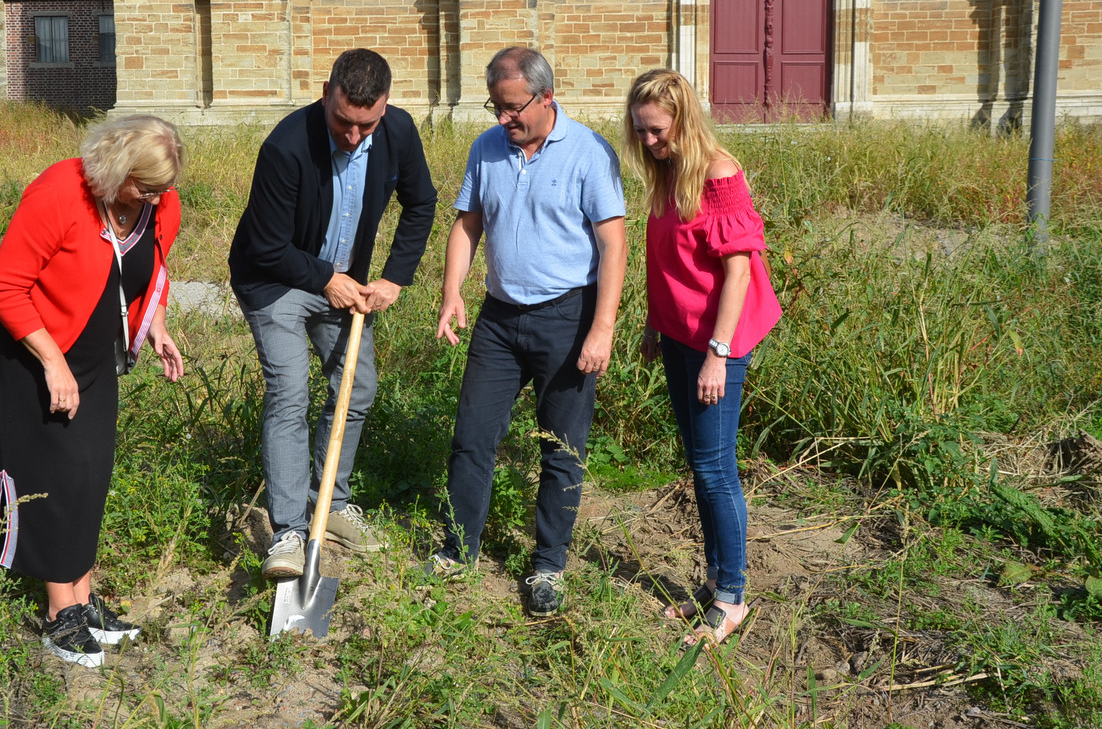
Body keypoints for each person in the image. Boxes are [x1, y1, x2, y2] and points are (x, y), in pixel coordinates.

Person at [0, 114, 187, 668]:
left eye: (164, 188)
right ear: (116, 170)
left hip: (96, 358)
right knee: (57, 474)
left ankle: (83, 599)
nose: (157, 199)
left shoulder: (161, 204)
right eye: (146, 187)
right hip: (36, 352)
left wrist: (156, 326)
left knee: (89, 473)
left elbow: (152, 271)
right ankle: (59, 615)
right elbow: (4, 285)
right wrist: (53, 363)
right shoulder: (59, 192)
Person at [228, 48, 437, 580]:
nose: (354, 135)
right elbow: (266, 247)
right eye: (344, 121)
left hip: (341, 283)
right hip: (274, 280)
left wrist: (394, 277)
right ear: (326, 94)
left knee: (357, 387)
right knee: (290, 392)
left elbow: (421, 203)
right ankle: (289, 531)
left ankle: (331, 503)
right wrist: (327, 278)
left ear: (385, 106)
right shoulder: (286, 147)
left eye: (367, 124)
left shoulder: (397, 131)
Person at [434, 46, 627, 617]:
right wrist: (451, 292)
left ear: (546, 97)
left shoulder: (589, 151)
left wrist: (602, 328)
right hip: (498, 319)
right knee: (472, 437)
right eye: (495, 107)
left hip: (567, 317)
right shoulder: (487, 148)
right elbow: (467, 225)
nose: (503, 118)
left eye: (513, 108)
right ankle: (458, 551)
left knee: (561, 447)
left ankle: (548, 565)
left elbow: (613, 244)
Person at [622, 68, 781, 647]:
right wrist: (652, 324)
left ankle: (733, 597)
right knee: (699, 463)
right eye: (640, 130)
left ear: (683, 120)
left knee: (716, 468)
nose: (648, 141)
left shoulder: (719, 173)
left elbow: (738, 271)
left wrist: (719, 353)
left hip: (719, 339)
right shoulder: (667, 173)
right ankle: (715, 583)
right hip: (679, 334)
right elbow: (666, 260)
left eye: (657, 130)